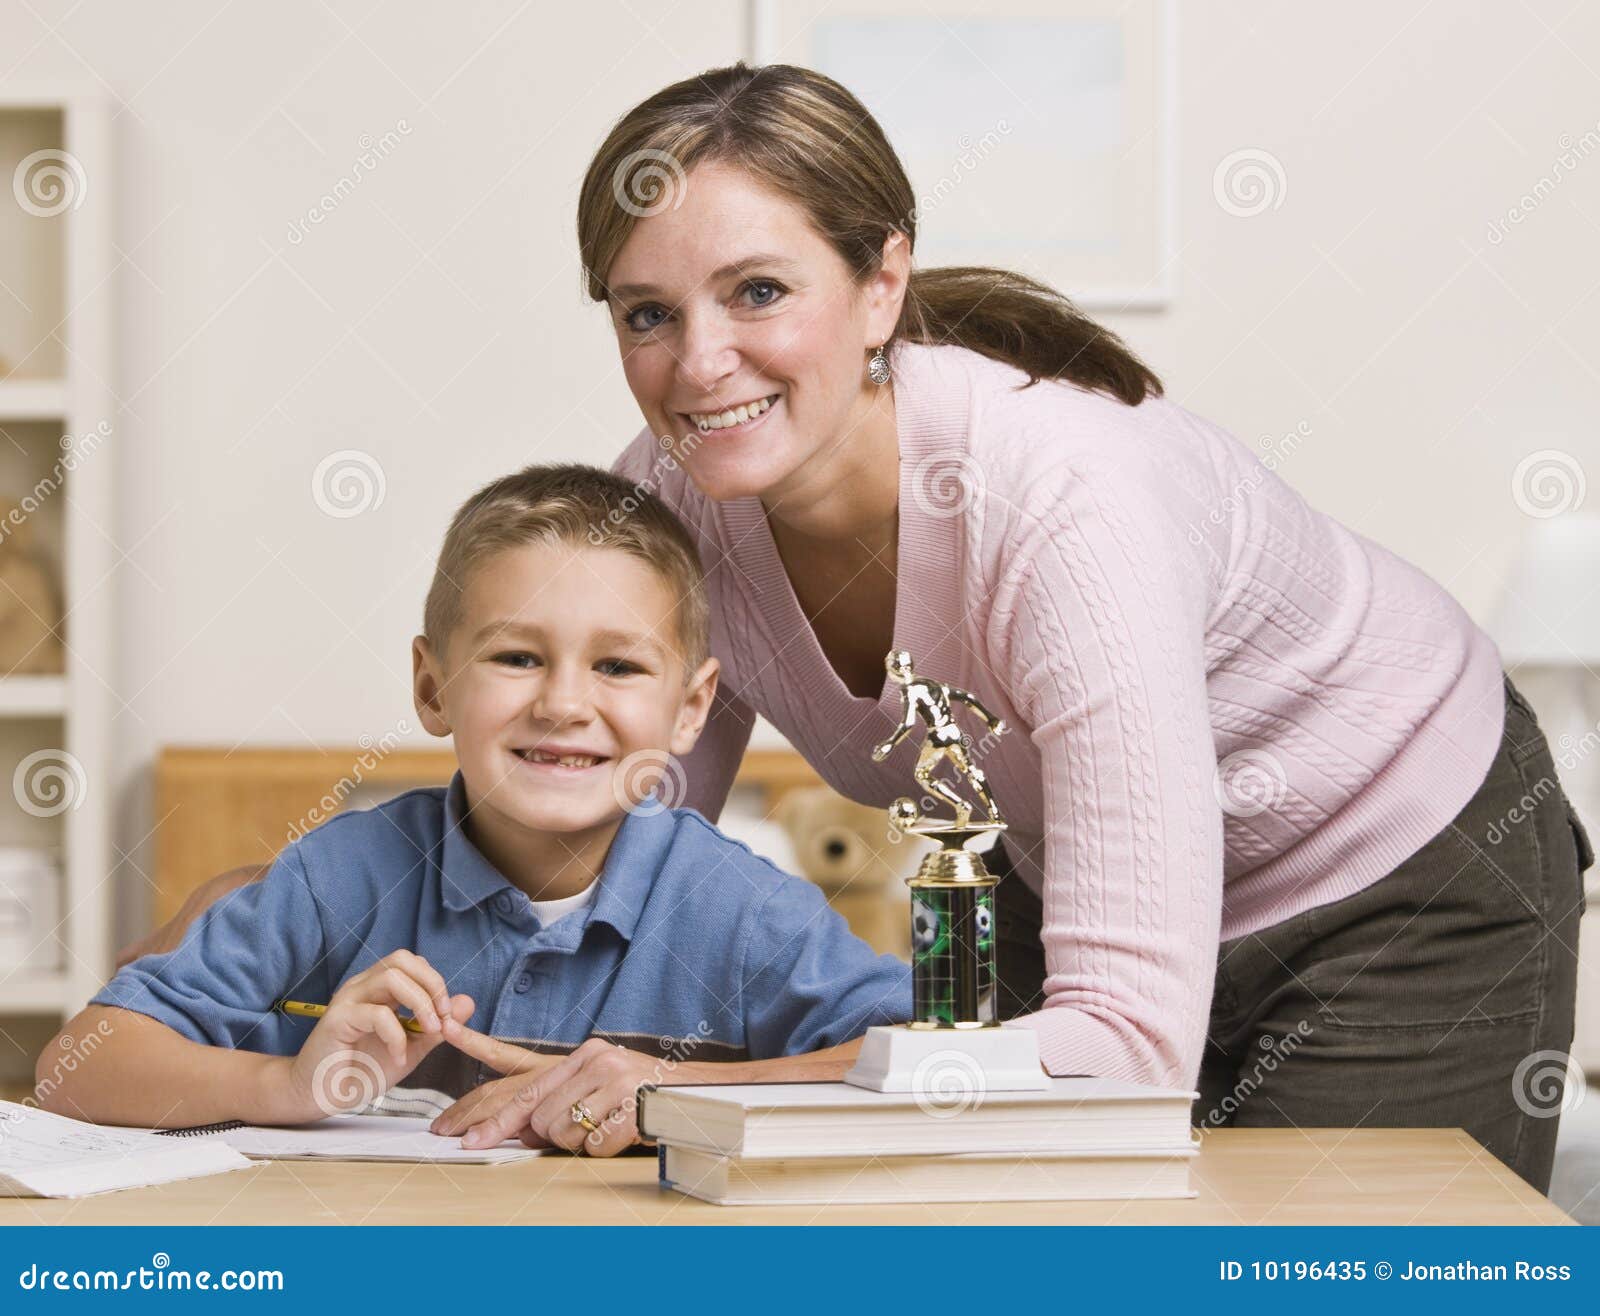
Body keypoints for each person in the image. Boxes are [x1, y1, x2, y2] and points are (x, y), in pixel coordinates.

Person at [130, 62, 1593, 1192]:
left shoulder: (1065, 501)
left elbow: (1126, 1049)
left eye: (758, 292)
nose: (697, 366)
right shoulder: (679, 498)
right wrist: (304, 919)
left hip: (1403, 867)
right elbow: (617, 849)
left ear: (881, 278)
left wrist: (685, 1092)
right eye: (645, 314)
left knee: (1321, 1267)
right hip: (1095, 894)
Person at [42, 464, 910, 1155]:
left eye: (618, 667)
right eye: (518, 656)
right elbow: (75, 1071)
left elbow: (927, 1064)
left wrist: (674, 1094)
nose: (565, 703)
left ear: (690, 709)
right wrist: (291, 1087)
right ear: (432, 686)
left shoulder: (742, 913)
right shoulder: (336, 880)